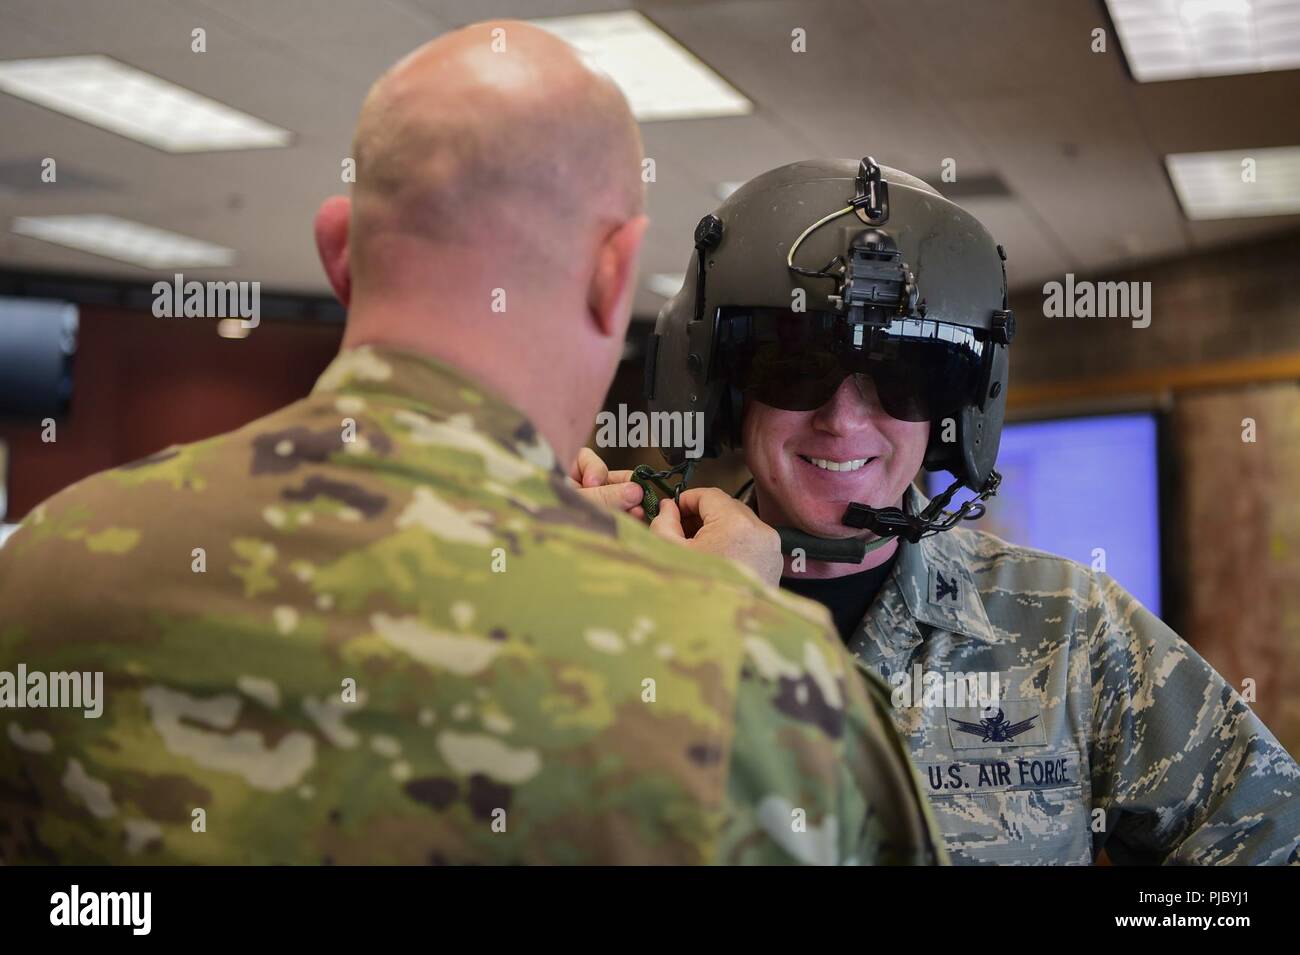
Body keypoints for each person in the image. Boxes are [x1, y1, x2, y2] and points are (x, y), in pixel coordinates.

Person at [0, 28, 942, 865]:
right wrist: (710, 612)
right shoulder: (767, 678)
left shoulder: (46, 564)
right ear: (618, 276)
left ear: (339, 250)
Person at [575, 157, 1300, 865]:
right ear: (729, 393)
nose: (844, 420)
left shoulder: (1070, 623)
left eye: (903, 379)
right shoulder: (624, 609)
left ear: (950, 413)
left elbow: (1273, 833)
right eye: (796, 369)